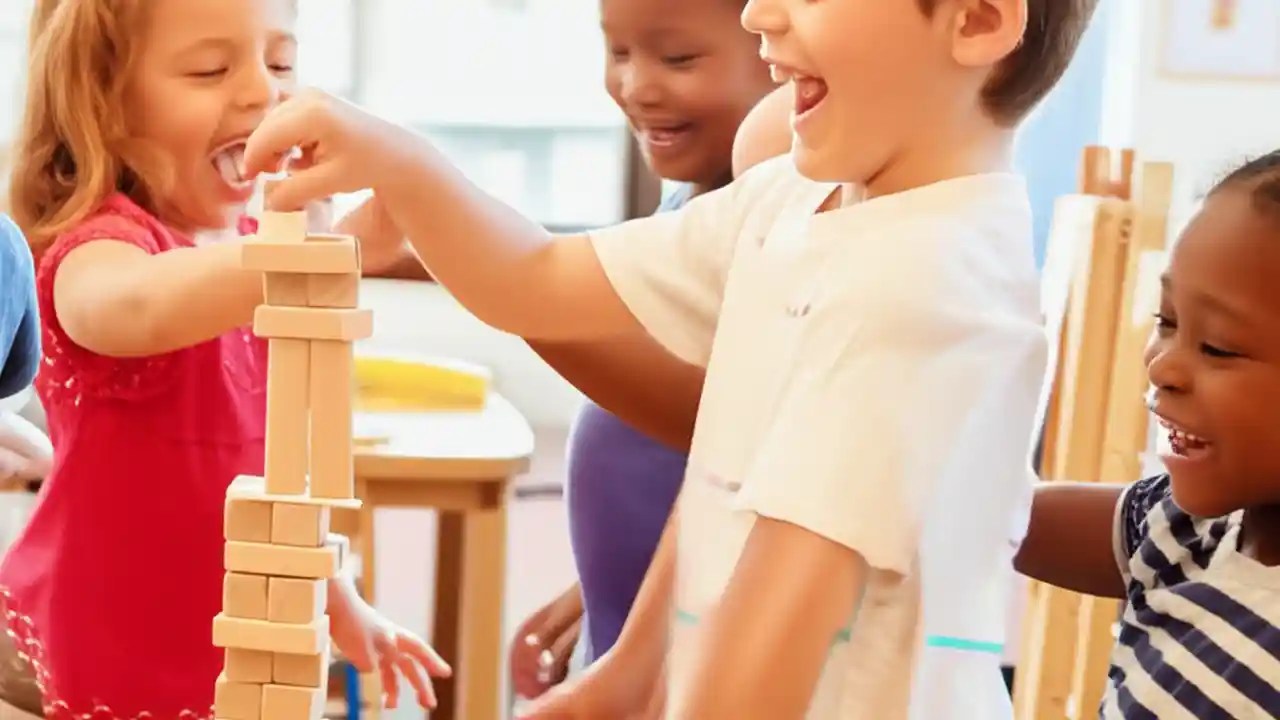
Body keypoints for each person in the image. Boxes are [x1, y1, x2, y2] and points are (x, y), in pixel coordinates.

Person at [242, 0, 1098, 715]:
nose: (761, 14)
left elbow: (757, 677)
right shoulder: (799, 199)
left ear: (977, 21)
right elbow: (534, 282)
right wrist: (402, 166)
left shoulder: (919, 297)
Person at [0, 1, 447, 717]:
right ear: (103, 103)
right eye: (211, 68)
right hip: (102, 639)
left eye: (280, 63)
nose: (260, 93)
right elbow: (132, 307)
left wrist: (341, 601)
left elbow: (266, 480)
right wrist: (321, 253)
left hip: (220, 644)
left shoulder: (249, 253)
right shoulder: (100, 246)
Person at [508, 0, 775, 699]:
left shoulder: (777, 228)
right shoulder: (688, 204)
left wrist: (505, 289)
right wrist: (590, 587)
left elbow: (718, 427)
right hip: (636, 628)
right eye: (618, 53)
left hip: (701, 669)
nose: (638, 87)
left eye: (678, 59)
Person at [1015, 150, 1280, 718]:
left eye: (1218, 347)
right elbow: (1008, 519)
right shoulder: (1196, 530)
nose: (1163, 366)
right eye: (1168, 321)